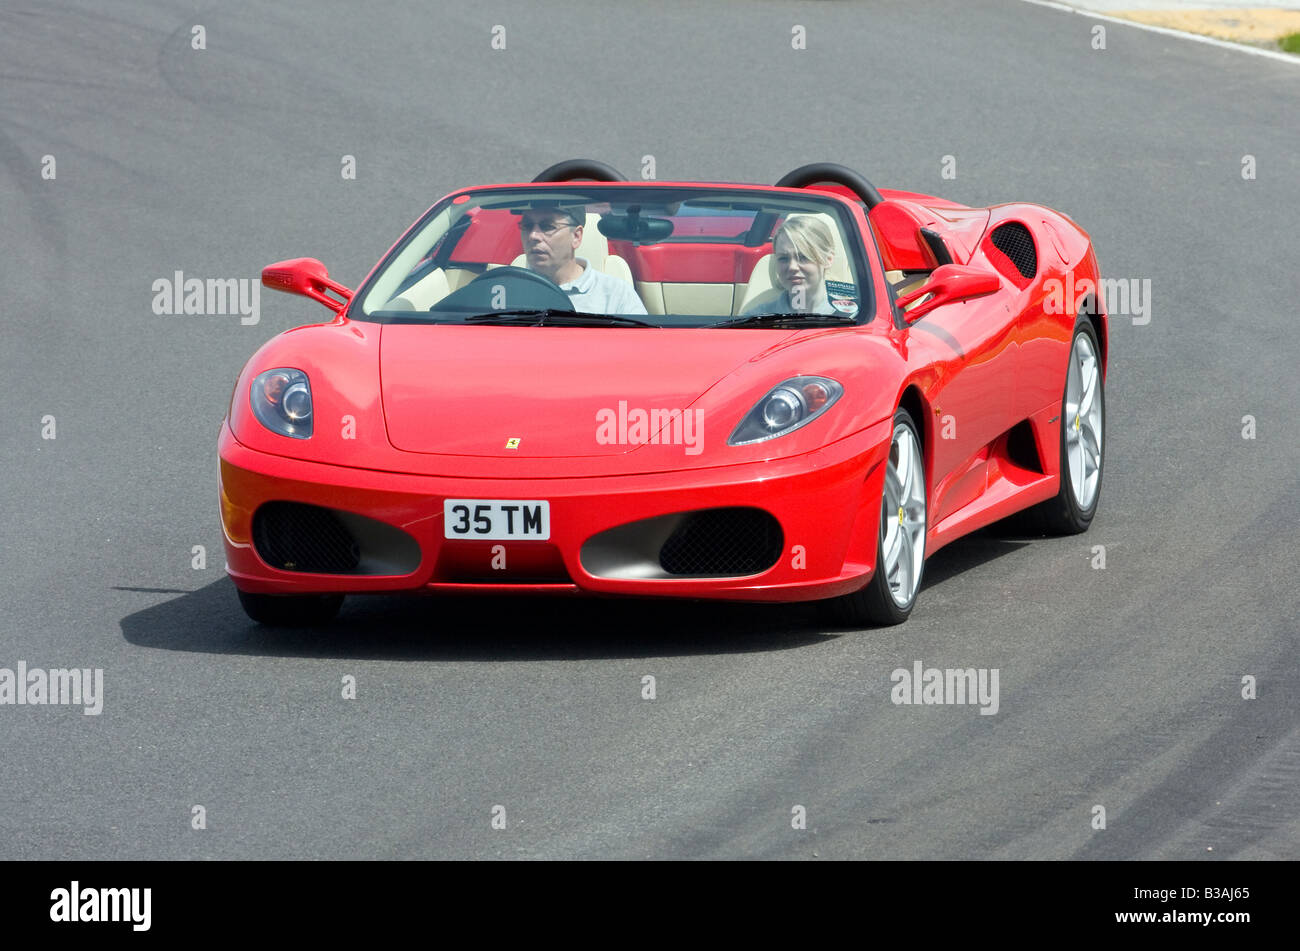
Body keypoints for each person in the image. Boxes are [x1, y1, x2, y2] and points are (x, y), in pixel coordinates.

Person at [517, 206, 647, 314]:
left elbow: (640, 343)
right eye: (527, 226)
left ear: (576, 236)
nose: (533, 236)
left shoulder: (615, 294)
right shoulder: (508, 290)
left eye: (547, 226)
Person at [742, 216, 854, 316]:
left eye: (803, 257)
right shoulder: (757, 320)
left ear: (828, 260)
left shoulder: (853, 319)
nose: (792, 267)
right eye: (783, 258)